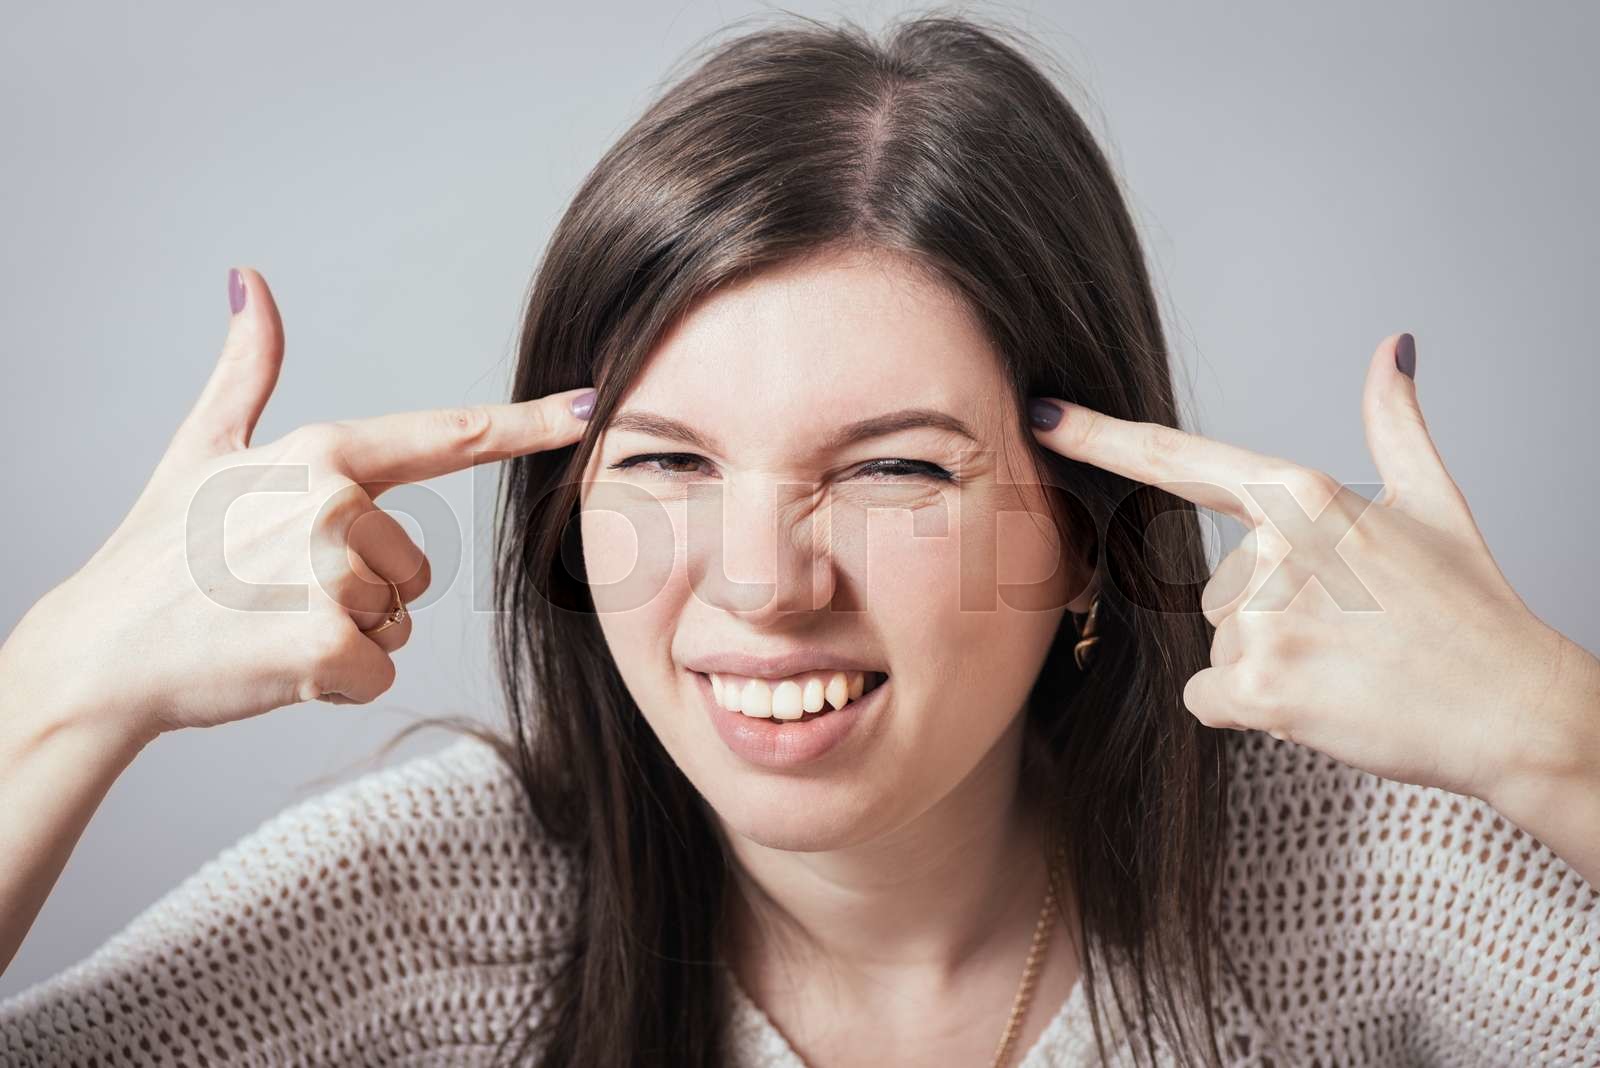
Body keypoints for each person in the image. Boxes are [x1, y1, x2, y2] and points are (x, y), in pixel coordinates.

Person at [2, 12, 1597, 1068]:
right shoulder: (430, 914)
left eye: (895, 470)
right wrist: (62, 692)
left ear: (1096, 538)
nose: (761, 582)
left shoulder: (1365, 882)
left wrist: (1561, 744)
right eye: (672, 461)